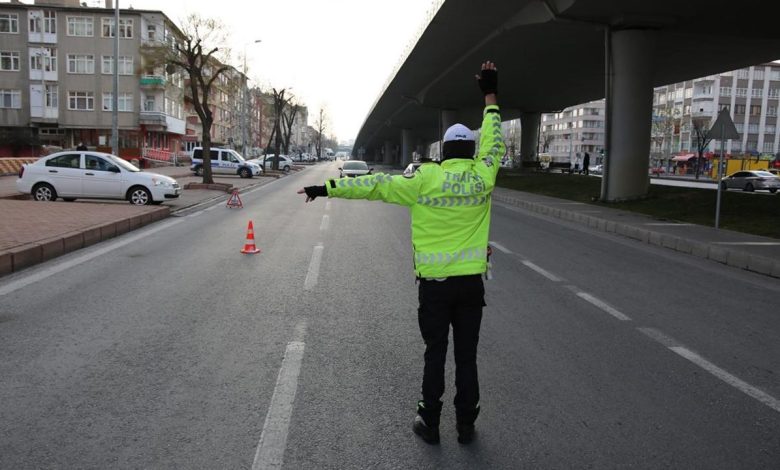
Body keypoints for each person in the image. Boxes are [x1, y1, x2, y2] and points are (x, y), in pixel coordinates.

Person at [298, 61, 505, 445]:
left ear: (443, 151)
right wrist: (489, 96)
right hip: (471, 287)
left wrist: (325, 189)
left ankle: (429, 422)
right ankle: (466, 425)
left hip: (435, 288)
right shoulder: (483, 176)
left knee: (434, 354)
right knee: (467, 358)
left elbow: (374, 185)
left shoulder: (424, 177)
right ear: (471, 151)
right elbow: (495, 141)